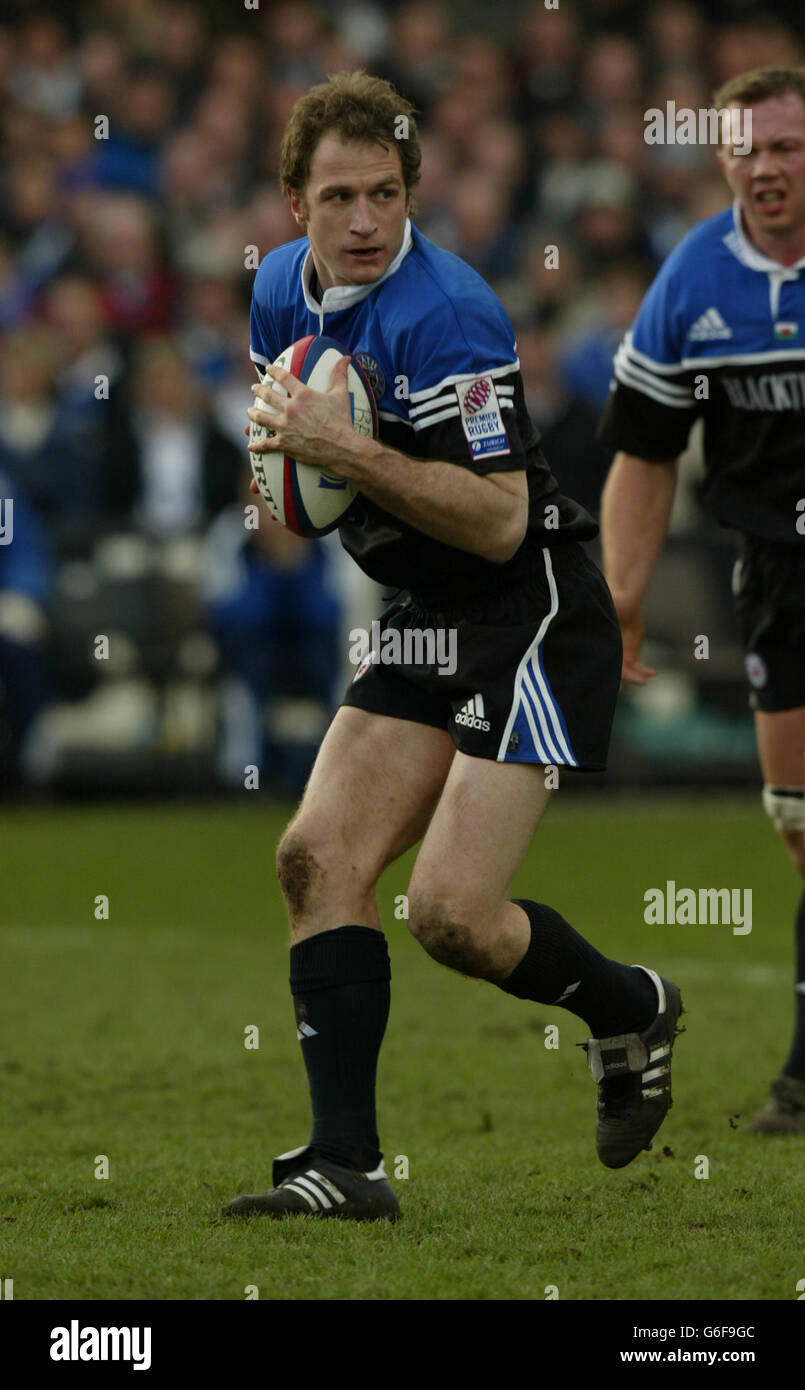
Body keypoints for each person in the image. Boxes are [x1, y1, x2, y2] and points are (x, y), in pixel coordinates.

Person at [223, 70, 683, 1222]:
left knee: (449, 917)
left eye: (385, 192)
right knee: (312, 858)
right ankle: (345, 1165)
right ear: (293, 203)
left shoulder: (454, 313)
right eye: (338, 197)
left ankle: (629, 1005)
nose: (365, 221)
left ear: (412, 191)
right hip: (420, 612)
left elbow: (499, 518)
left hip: (524, 610)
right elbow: (300, 473)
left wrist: (347, 452)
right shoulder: (277, 289)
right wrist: (285, 468)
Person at [599, 65, 805, 1134]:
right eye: (745, 150)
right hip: (776, 579)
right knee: (799, 825)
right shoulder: (692, 281)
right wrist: (622, 594)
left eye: (785, 147)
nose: (763, 168)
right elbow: (641, 453)